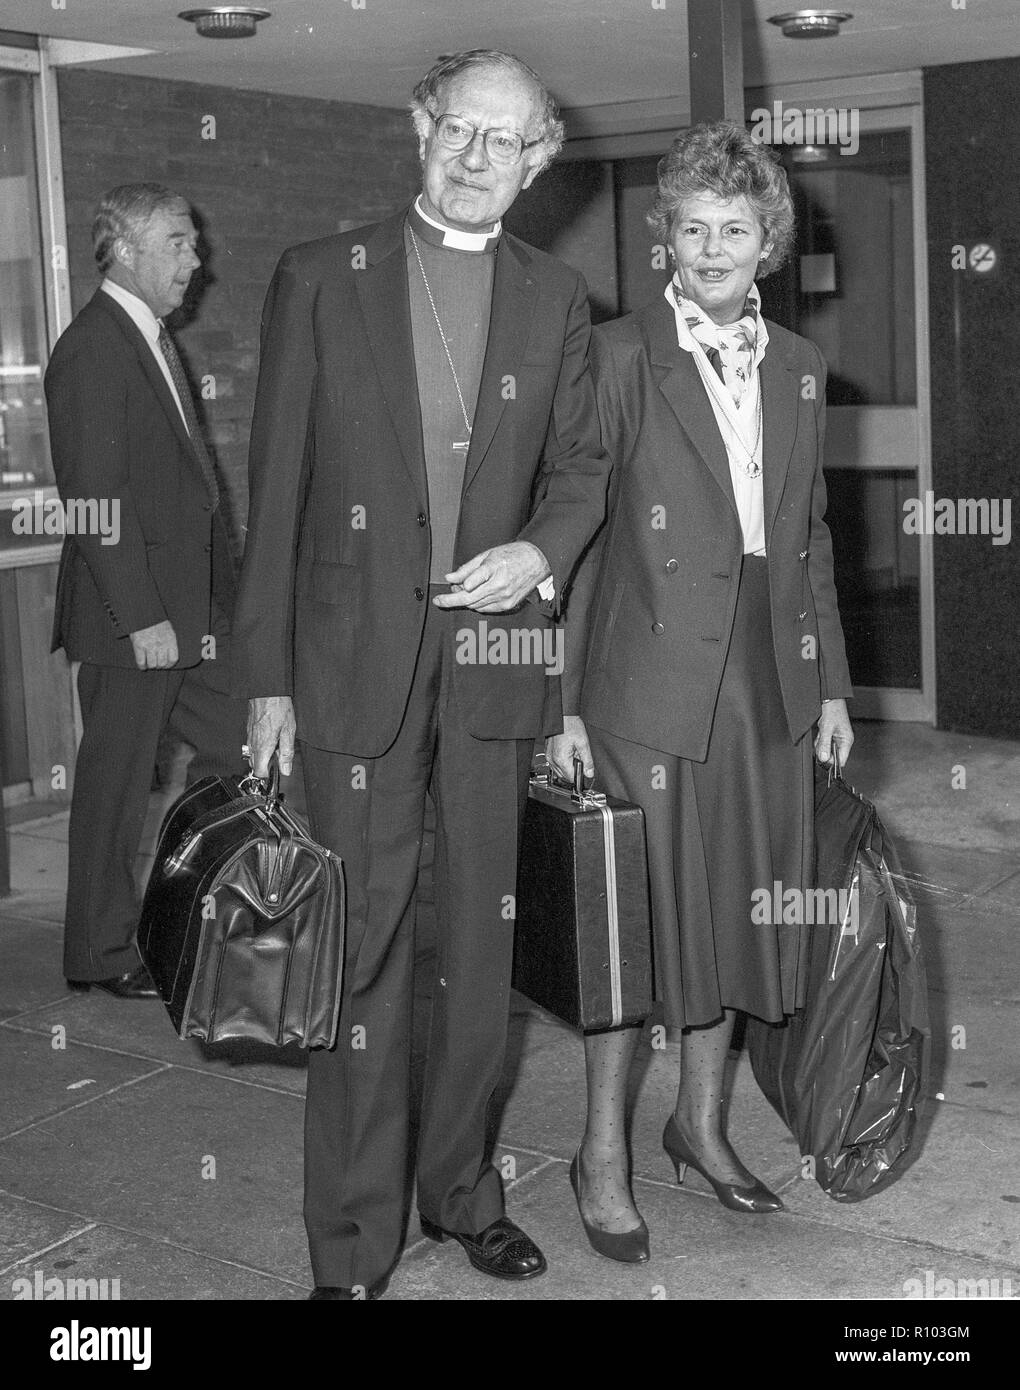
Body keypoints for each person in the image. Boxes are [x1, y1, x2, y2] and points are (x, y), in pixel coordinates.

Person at [234, 50, 610, 1299]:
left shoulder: (558, 299)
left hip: (497, 671)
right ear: (419, 129)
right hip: (350, 676)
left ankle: (461, 1194)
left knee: (477, 954)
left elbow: (580, 477)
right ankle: (350, 1243)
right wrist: (267, 680)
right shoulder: (320, 276)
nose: (475, 157)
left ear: (537, 164)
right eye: (459, 129)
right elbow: (275, 485)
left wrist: (536, 555)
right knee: (360, 961)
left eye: (505, 142)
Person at [549, 122, 854, 1261]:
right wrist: (563, 703)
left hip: (765, 682)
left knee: (730, 912)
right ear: (662, 239)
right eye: (692, 226)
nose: (714, 246)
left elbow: (811, 531)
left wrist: (826, 680)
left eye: (736, 227)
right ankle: (601, 1155)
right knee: (633, 929)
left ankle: (702, 1125)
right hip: (646, 684)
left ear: (767, 242)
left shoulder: (806, 369)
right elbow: (575, 532)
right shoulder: (618, 354)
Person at [47, 183, 245, 1000]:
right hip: (138, 621)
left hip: (190, 617)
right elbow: (94, 498)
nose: (194, 260)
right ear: (124, 248)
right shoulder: (95, 347)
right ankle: (96, 950)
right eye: (176, 242)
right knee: (115, 786)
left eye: (193, 243)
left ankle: (209, 907)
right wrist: (144, 618)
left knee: (244, 739)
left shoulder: (151, 341)